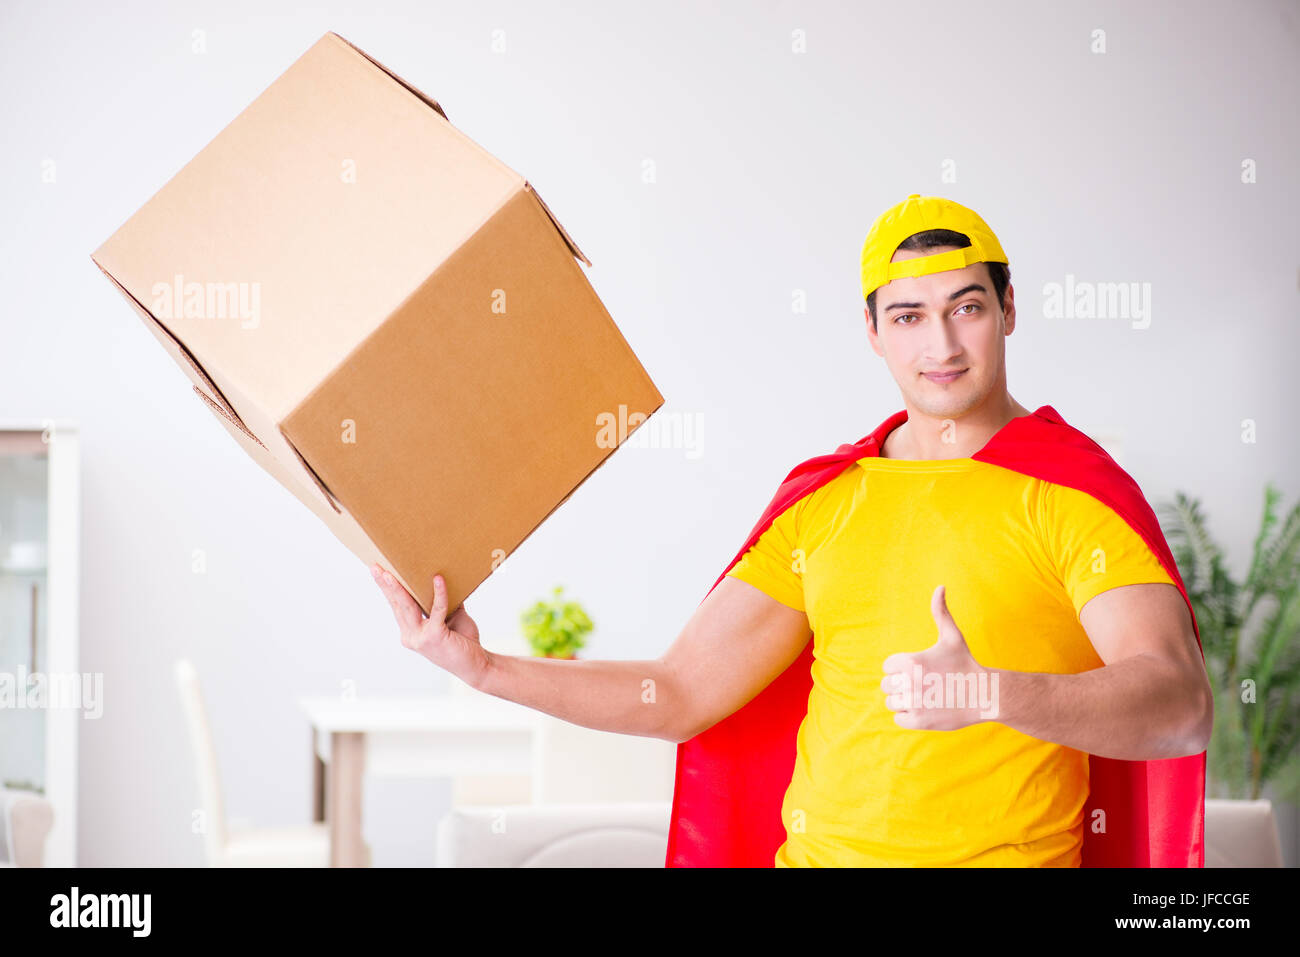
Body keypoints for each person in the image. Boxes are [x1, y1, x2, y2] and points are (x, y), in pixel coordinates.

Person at [370, 194, 1212, 867]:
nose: (943, 343)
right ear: (875, 334)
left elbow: (1179, 706)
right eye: (910, 316)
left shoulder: (1073, 492)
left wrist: (992, 691)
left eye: (967, 307)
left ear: (1009, 310)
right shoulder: (827, 500)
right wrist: (480, 668)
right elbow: (683, 691)